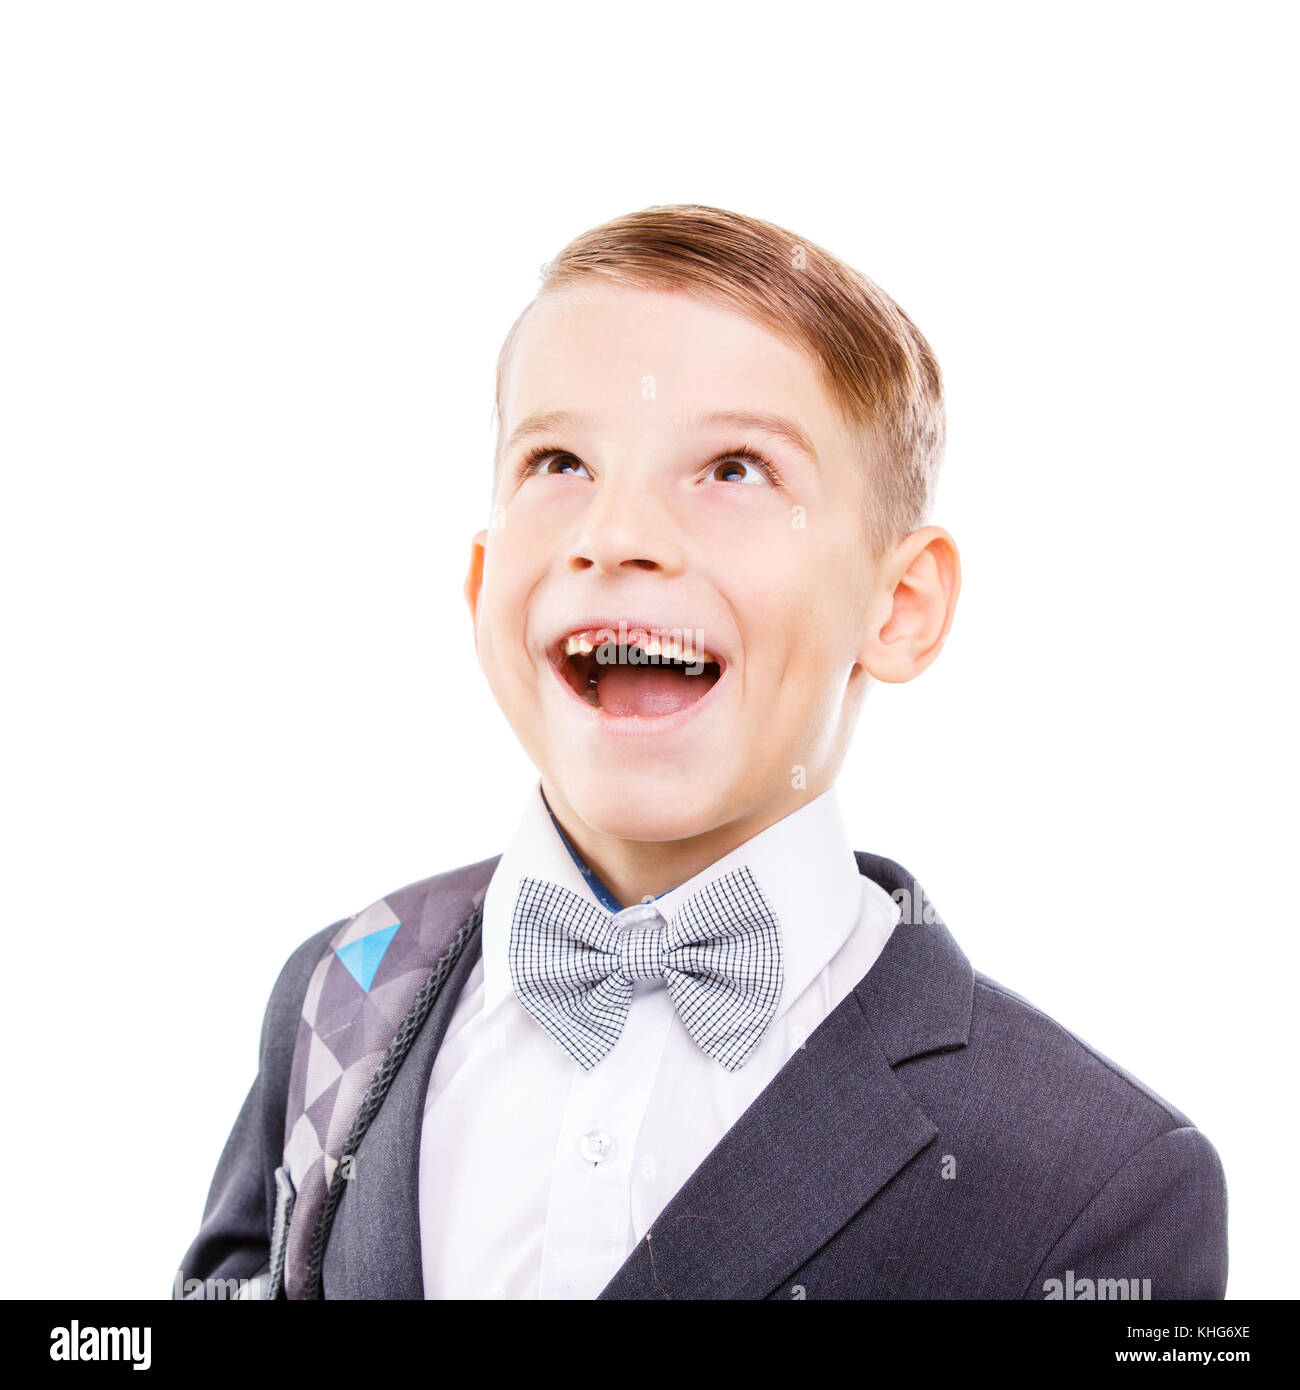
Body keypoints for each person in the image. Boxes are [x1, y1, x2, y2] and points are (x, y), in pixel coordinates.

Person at [177, 205, 1228, 1300]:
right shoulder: (340, 989)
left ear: (899, 604)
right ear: (484, 581)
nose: (617, 532)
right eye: (559, 461)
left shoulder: (1096, 1179)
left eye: (732, 469)